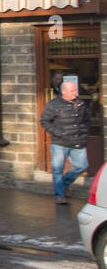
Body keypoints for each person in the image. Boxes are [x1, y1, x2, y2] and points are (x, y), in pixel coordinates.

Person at [40, 76, 91, 205]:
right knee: (57, 169)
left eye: (75, 90)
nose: (75, 92)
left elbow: (87, 120)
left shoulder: (81, 104)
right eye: (72, 90)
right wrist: (59, 133)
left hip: (78, 141)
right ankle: (60, 195)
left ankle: (63, 184)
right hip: (60, 143)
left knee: (82, 166)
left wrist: (84, 133)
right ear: (64, 92)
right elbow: (44, 121)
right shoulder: (53, 105)